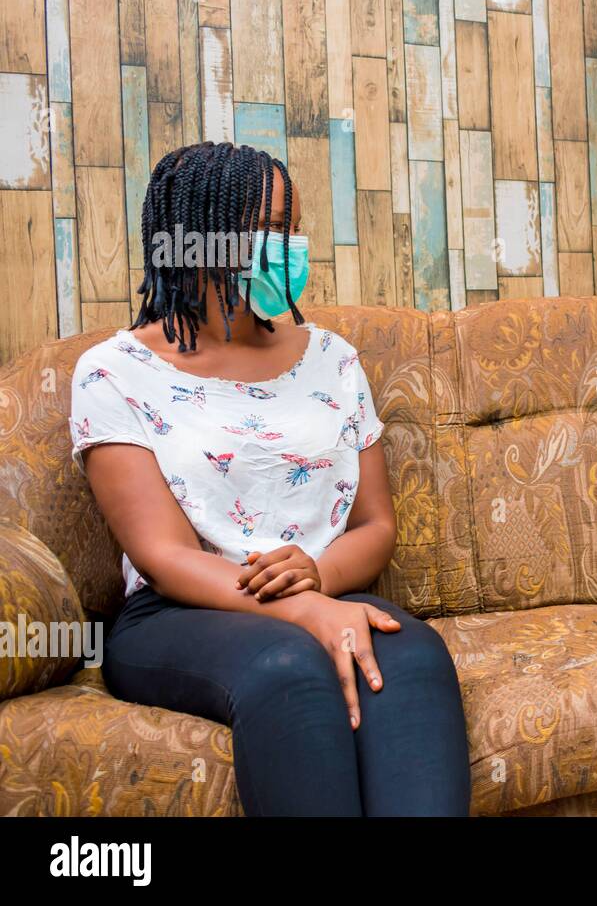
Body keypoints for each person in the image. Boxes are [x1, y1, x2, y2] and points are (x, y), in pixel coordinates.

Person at [69, 141, 471, 816]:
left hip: (330, 588)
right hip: (181, 614)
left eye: (291, 227)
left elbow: (376, 525)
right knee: (290, 670)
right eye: (266, 229)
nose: (287, 246)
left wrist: (317, 581)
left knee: (416, 659)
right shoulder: (113, 372)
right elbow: (164, 557)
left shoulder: (332, 359)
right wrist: (303, 611)